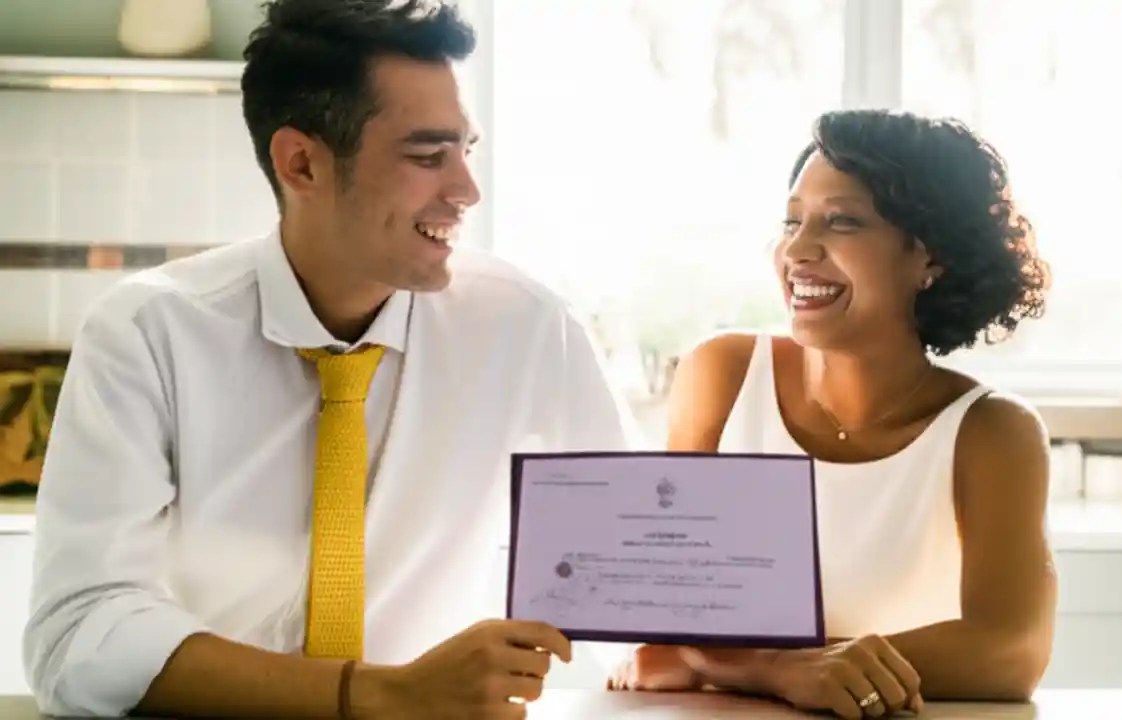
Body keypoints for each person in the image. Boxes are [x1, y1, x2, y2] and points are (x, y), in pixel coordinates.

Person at [22, 1, 634, 718]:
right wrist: (375, 695)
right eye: (427, 156)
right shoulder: (147, 334)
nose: (466, 189)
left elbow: (628, 577)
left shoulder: (528, 330)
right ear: (302, 162)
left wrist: (719, 656)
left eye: (467, 150)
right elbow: (76, 639)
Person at [607, 109, 1057, 718]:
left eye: (841, 222)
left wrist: (738, 665)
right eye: (792, 222)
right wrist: (781, 671)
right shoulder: (723, 376)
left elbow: (1010, 653)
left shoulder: (992, 432)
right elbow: (669, 617)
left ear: (930, 258)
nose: (797, 249)